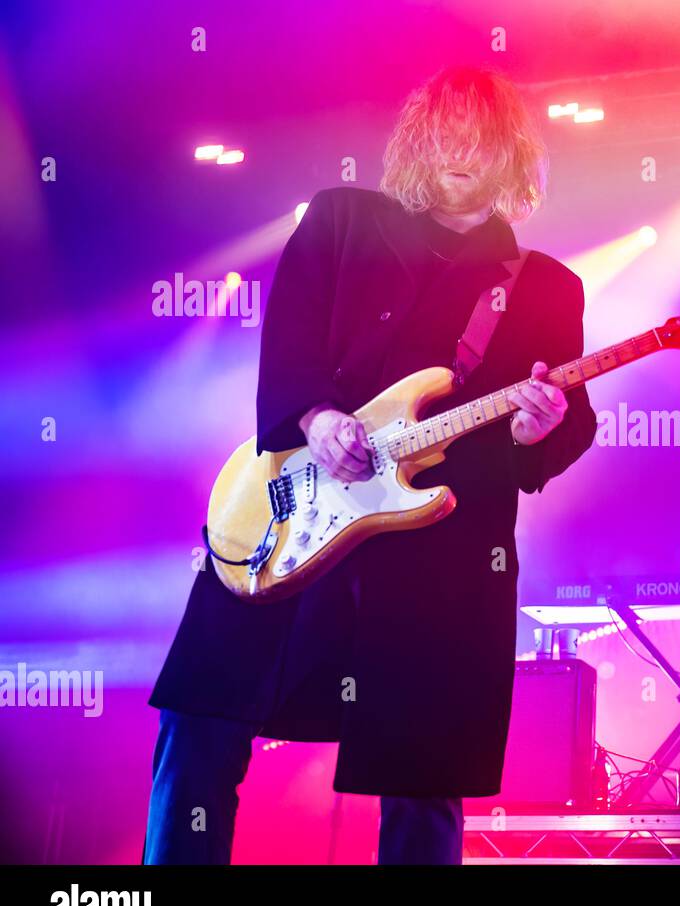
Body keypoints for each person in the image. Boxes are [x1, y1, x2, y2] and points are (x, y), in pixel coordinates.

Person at [144, 66, 597, 865]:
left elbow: (565, 424)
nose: (463, 153)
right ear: (420, 141)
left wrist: (539, 429)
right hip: (293, 509)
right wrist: (317, 417)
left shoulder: (546, 286)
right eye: (448, 135)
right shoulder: (341, 220)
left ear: (511, 155)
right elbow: (287, 338)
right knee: (203, 720)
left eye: (482, 140)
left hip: (440, 557)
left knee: (423, 778)